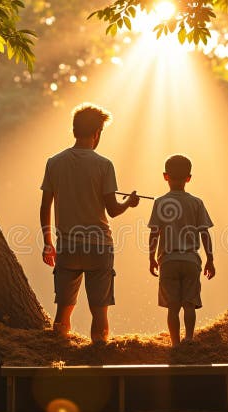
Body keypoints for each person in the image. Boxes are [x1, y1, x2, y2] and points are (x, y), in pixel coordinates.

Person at [39, 103, 139, 343]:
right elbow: (113, 211)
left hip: (67, 247)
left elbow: (45, 206)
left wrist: (47, 242)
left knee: (63, 309)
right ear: (97, 133)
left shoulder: (54, 162)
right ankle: (99, 355)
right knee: (99, 310)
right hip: (99, 247)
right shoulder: (104, 165)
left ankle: (59, 359)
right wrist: (129, 202)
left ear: (74, 130)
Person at [148, 155, 216, 346]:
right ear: (189, 178)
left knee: (173, 307)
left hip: (168, 260)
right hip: (190, 260)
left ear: (165, 176)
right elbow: (205, 233)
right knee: (189, 304)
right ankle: (189, 339)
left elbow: (154, 233)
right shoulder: (196, 203)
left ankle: (176, 344)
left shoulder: (160, 202)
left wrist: (151, 258)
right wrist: (210, 259)